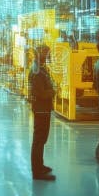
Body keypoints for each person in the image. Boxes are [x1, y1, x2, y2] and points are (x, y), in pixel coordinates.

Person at [28, 44, 56, 181]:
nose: (48, 55)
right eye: (46, 52)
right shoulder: (37, 71)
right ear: (39, 53)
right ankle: (37, 171)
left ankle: (39, 165)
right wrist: (53, 91)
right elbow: (40, 93)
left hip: (43, 108)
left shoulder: (41, 68)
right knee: (39, 139)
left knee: (42, 138)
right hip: (41, 108)